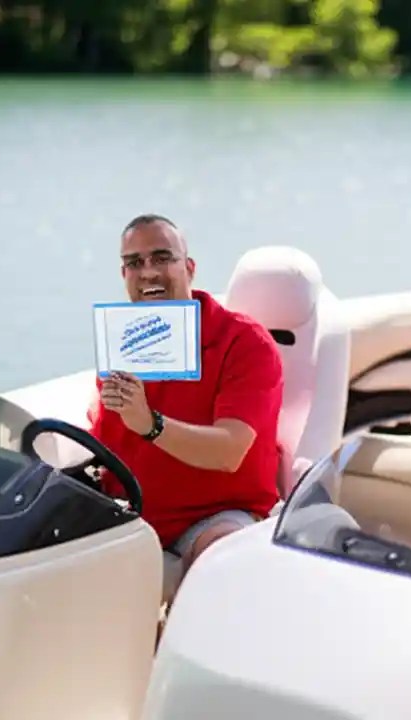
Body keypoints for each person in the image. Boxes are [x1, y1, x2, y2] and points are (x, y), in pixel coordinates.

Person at [88, 214, 284, 592]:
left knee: (222, 560)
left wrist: (151, 423)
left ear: (189, 268)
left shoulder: (244, 343)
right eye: (135, 263)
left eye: (162, 258)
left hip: (215, 517)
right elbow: (105, 443)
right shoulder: (122, 343)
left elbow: (229, 451)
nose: (148, 273)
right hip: (133, 519)